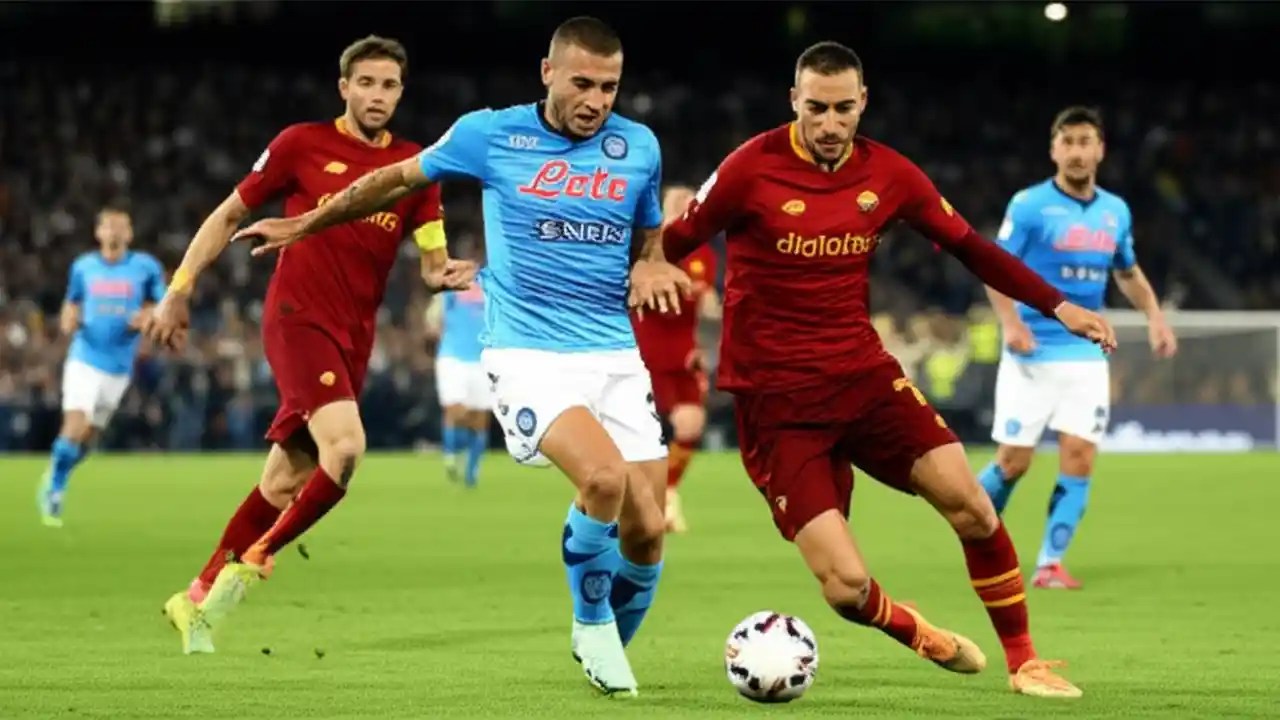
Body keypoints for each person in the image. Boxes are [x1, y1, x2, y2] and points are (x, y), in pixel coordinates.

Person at [228, 17, 691, 697]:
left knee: (648, 530)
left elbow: (648, 232)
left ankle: (605, 650)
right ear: (548, 72)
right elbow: (389, 182)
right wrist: (304, 222)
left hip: (613, 352)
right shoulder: (489, 133)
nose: (597, 100)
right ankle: (590, 625)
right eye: (583, 84)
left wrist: (652, 263)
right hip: (528, 351)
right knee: (602, 481)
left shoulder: (638, 145)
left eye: (610, 87)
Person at [663, 41, 1119, 699]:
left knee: (974, 506)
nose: (828, 123)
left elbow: (971, 248)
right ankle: (917, 632)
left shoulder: (891, 174)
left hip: (864, 380)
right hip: (777, 405)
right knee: (847, 589)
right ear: (794, 101)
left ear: (862, 103)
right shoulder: (749, 168)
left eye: (843, 108)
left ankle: (1025, 663)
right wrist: (650, 261)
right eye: (815, 107)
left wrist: (1058, 304)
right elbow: (671, 241)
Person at [144, 35, 474, 655]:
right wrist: (179, 289)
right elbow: (227, 215)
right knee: (345, 448)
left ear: (402, 92)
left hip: (353, 338)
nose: (378, 96)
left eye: (390, 86)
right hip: (298, 319)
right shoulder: (301, 144)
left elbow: (432, 260)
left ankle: (195, 599)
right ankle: (257, 558)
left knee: (283, 481)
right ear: (343, 87)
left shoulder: (416, 169)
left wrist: (448, 272)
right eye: (367, 83)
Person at [976, 107, 1177, 589]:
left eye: (1086, 141)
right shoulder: (1028, 206)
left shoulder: (1115, 211)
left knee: (1081, 455)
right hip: (1031, 352)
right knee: (1013, 462)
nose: (1077, 151)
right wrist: (1010, 324)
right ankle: (974, 535)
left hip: (1087, 352)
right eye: (1067, 141)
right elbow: (994, 267)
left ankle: (1049, 564)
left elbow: (1126, 272)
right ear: (1053, 150)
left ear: (1100, 149)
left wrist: (1154, 317)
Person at [38, 202, 165, 527]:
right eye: (108, 225)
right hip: (85, 357)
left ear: (130, 232)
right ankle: (54, 489)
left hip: (119, 367)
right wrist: (67, 317)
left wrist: (150, 316)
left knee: (88, 441)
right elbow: (72, 303)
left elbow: (163, 303)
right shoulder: (83, 266)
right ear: (98, 232)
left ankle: (58, 467)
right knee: (76, 425)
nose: (114, 231)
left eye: (120, 225)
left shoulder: (145, 267)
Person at [630, 185, 720, 532]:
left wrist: (704, 343)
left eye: (691, 204)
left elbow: (705, 304)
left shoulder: (703, 255)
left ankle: (666, 493)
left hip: (684, 355)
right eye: (679, 204)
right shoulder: (648, 250)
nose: (686, 209)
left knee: (691, 425)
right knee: (641, 434)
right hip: (647, 354)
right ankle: (641, 499)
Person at [425, 243, 490, 487]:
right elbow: (433, 318)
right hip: (453, 356)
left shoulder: (490, 287)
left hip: (482, 358)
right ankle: (451, 456)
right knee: (456, 410)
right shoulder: (450, 288)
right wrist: (434, 329)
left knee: (479, 418)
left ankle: (472, 473)